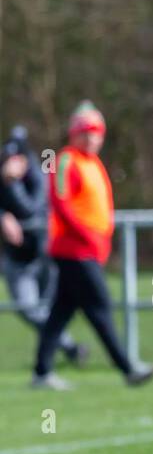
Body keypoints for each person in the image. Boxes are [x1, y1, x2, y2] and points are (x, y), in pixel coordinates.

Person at [31, 101, 153, 390]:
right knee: (99, 306)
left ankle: (41, 372)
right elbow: (60, 202)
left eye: (97, 132)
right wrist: (87, 236)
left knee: (60, 312)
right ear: (74, 133)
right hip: (74, 251)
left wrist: (102, 240)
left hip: (89, 250)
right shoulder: (66, 160)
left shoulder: (94, 164)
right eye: (86, 132)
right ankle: (127, 368)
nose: (92, 138)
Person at [0, 127, 84, 364]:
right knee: (30, 309)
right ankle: (68, 348)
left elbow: (32, 208)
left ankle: (49, 364)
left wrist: (12, 184)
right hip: (18, 261)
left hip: (45, 257)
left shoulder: (42, 172)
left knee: (52, 309)